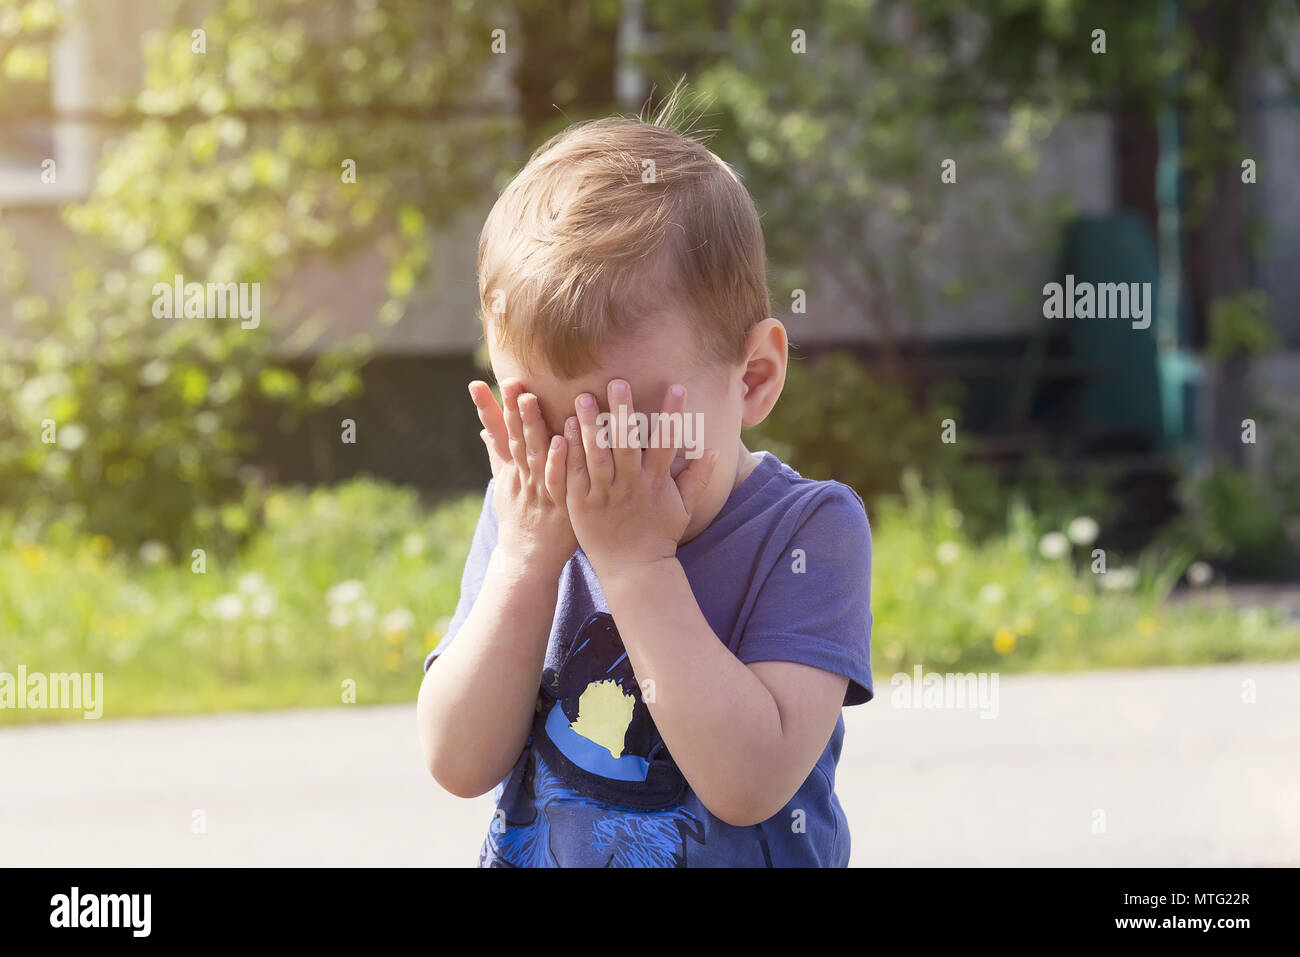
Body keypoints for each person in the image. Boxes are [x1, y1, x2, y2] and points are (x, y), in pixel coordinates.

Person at [416, 86, 874, 867]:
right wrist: (526, 562)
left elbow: (748, 779)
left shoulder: (808, 532)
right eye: (550, 427)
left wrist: (638, 565)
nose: (594, 470)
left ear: (754, 377)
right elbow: (459, 761)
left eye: (627, 427)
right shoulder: (525, 510)